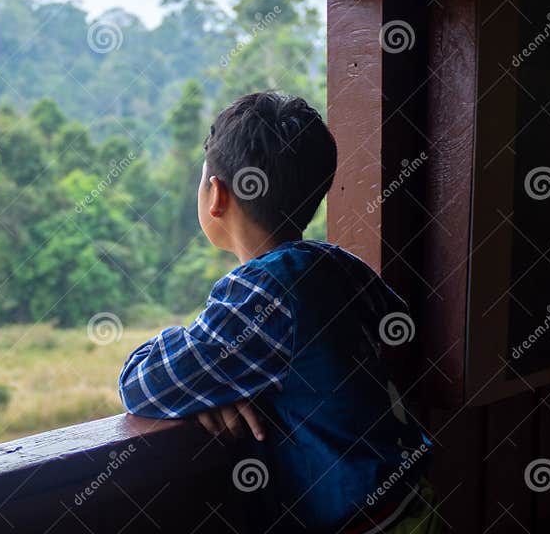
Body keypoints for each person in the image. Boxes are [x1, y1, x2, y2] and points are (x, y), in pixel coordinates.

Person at [119, 92, 440, 533]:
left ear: (216, 195)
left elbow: (144, 383)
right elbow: (398, 339)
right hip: (416, 500)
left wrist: (220, 385)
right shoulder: (336, 264)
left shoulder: (258, 294)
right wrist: (244, 382)